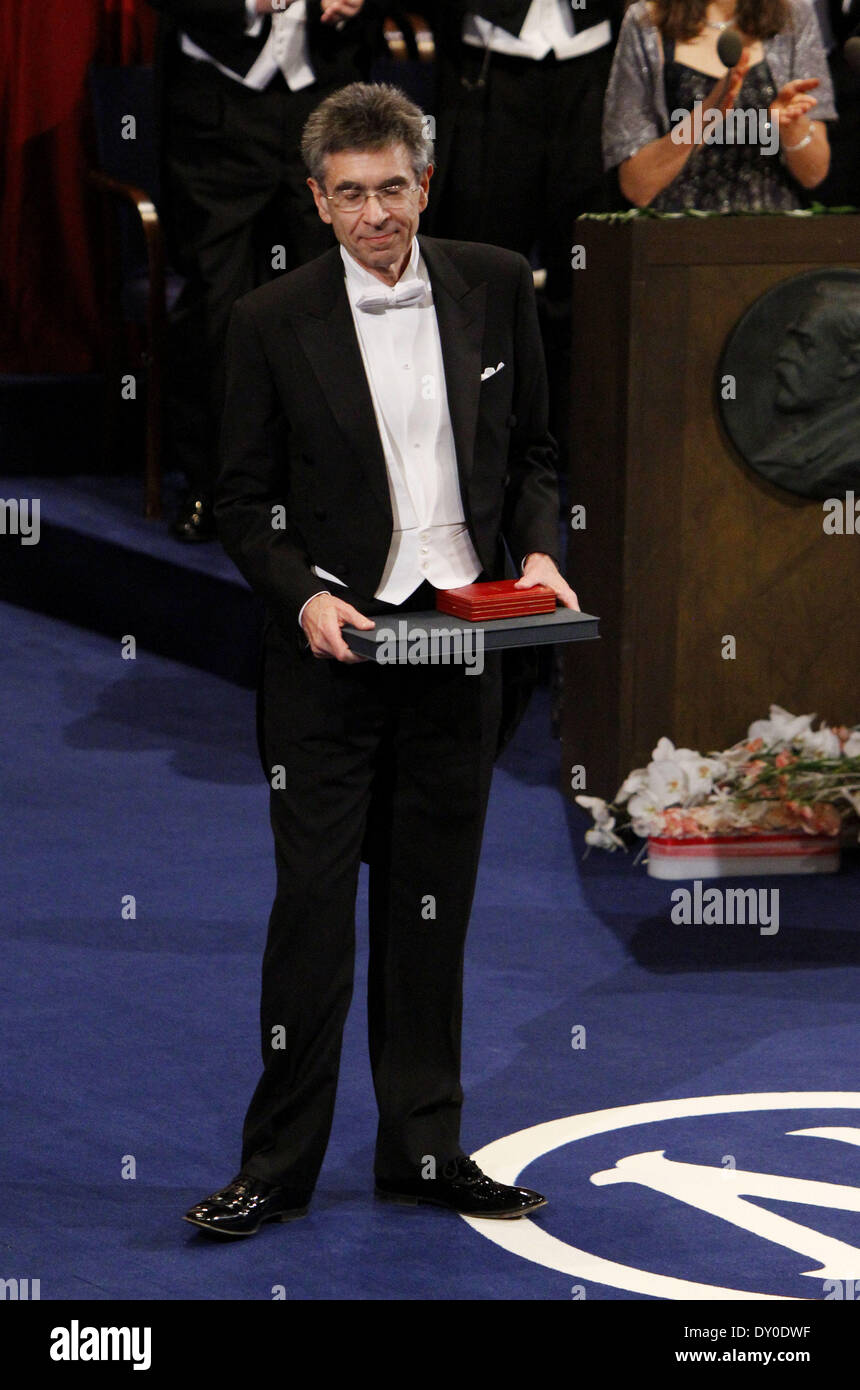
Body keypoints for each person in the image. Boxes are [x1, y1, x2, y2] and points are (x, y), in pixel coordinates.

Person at [183, 81, 580, 1237]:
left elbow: (539, 453)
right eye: (349, 194)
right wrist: (301, 594)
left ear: (424, 183)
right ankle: (277, 1165)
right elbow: (241, 502)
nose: (374, 214)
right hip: (330, 657)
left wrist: (543, 552)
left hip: (461, 644)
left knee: (429, 911)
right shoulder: (266, 322)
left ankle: (422, 1147)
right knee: (312, 912)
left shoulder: (497, 284)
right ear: (315, 199)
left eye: (391, 189)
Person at [147, 0, 376, 541]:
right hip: (214, 116)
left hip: (324, 105)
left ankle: (314, 489)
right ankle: (211, 486)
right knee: (215, 304)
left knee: (325, 301)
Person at [603, 0, 836, 211]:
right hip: (677, 239)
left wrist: (791, 127)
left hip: (773, 237)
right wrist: (707, 115)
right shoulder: (646, 21)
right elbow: (637, 186)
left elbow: (814, 174)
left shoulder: (793, 14)